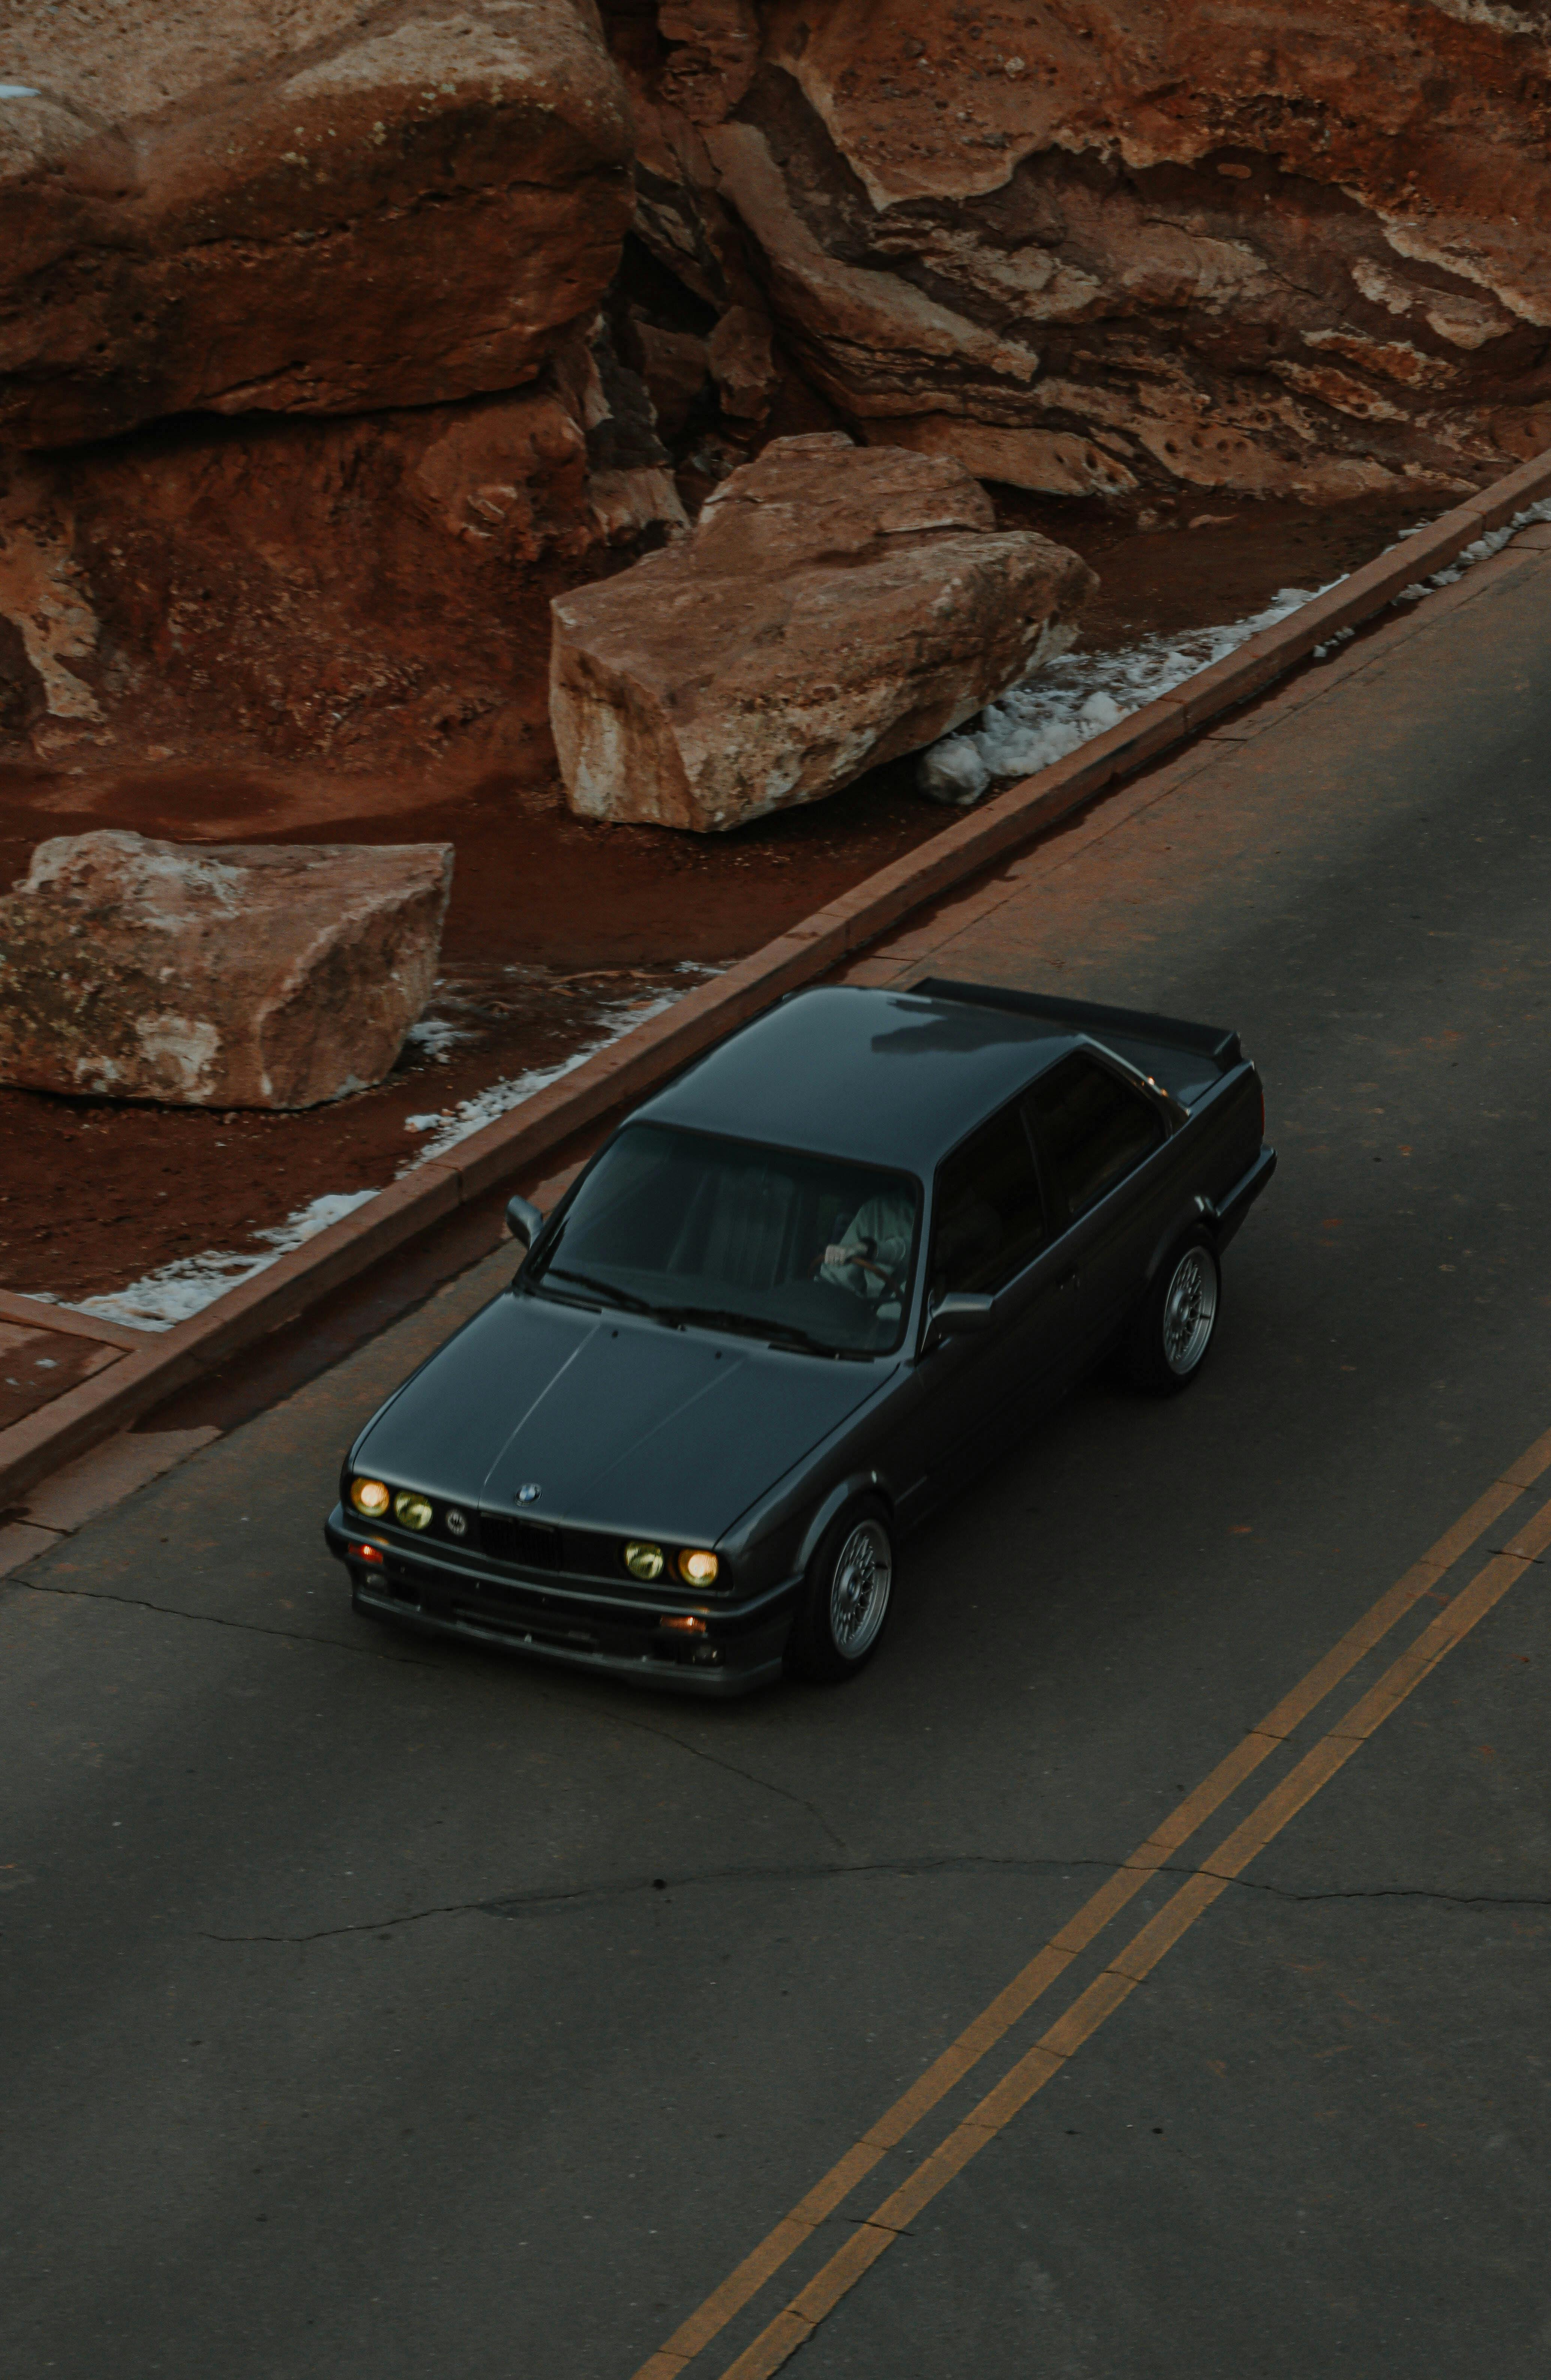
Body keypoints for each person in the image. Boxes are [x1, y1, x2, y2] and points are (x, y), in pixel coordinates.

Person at [818, 1192, 915, 1303]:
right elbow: (838, 1276)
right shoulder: (876, 1210)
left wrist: (868, 1249)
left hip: (910, 1314)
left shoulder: (936, 1221)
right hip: (863, 1311)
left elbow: (915, 1251)